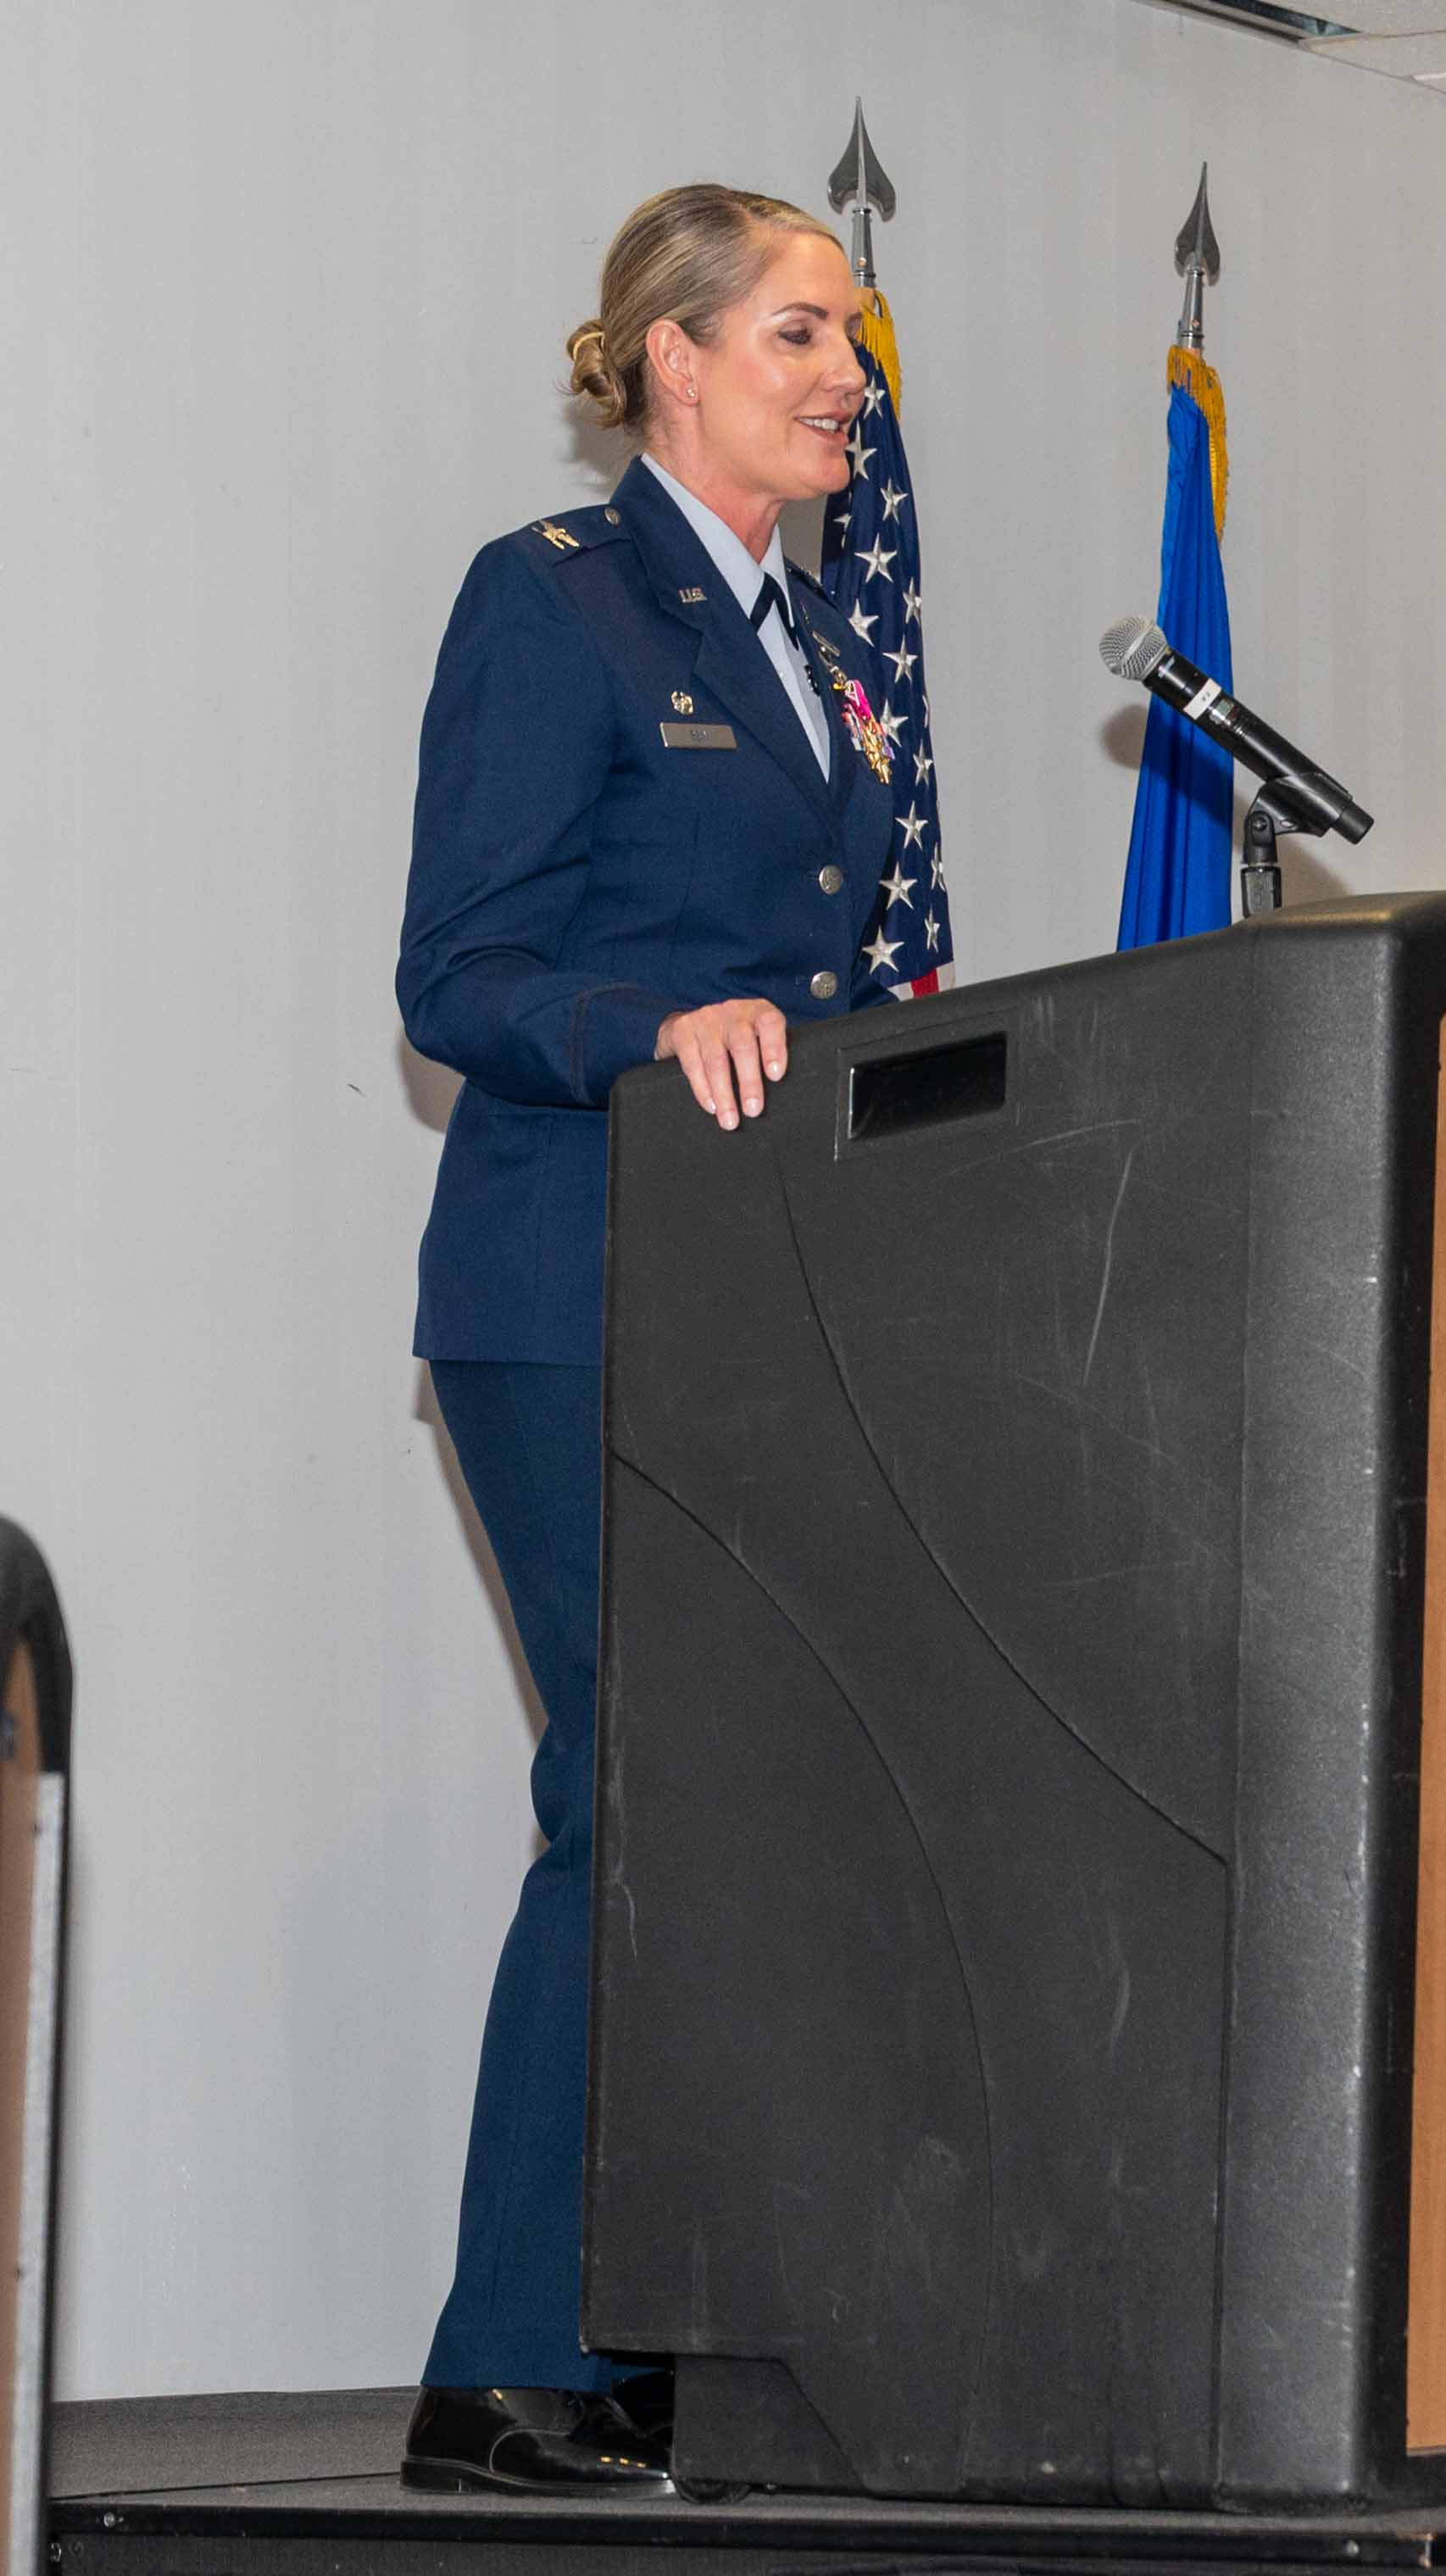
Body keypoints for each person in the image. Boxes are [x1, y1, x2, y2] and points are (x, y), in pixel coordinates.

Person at [393, 182, 901, 2494]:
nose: (845, 377)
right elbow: (461, 977)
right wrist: (647, 1017)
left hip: (754, 1304)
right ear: (671, 357)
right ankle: (508, 2357)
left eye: (859, 342)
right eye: (801, 330)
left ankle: (647, 2332)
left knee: (723, 1820)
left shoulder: (822, 665)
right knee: (631, 1801)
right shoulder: (558, 601)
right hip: (566, 1289)